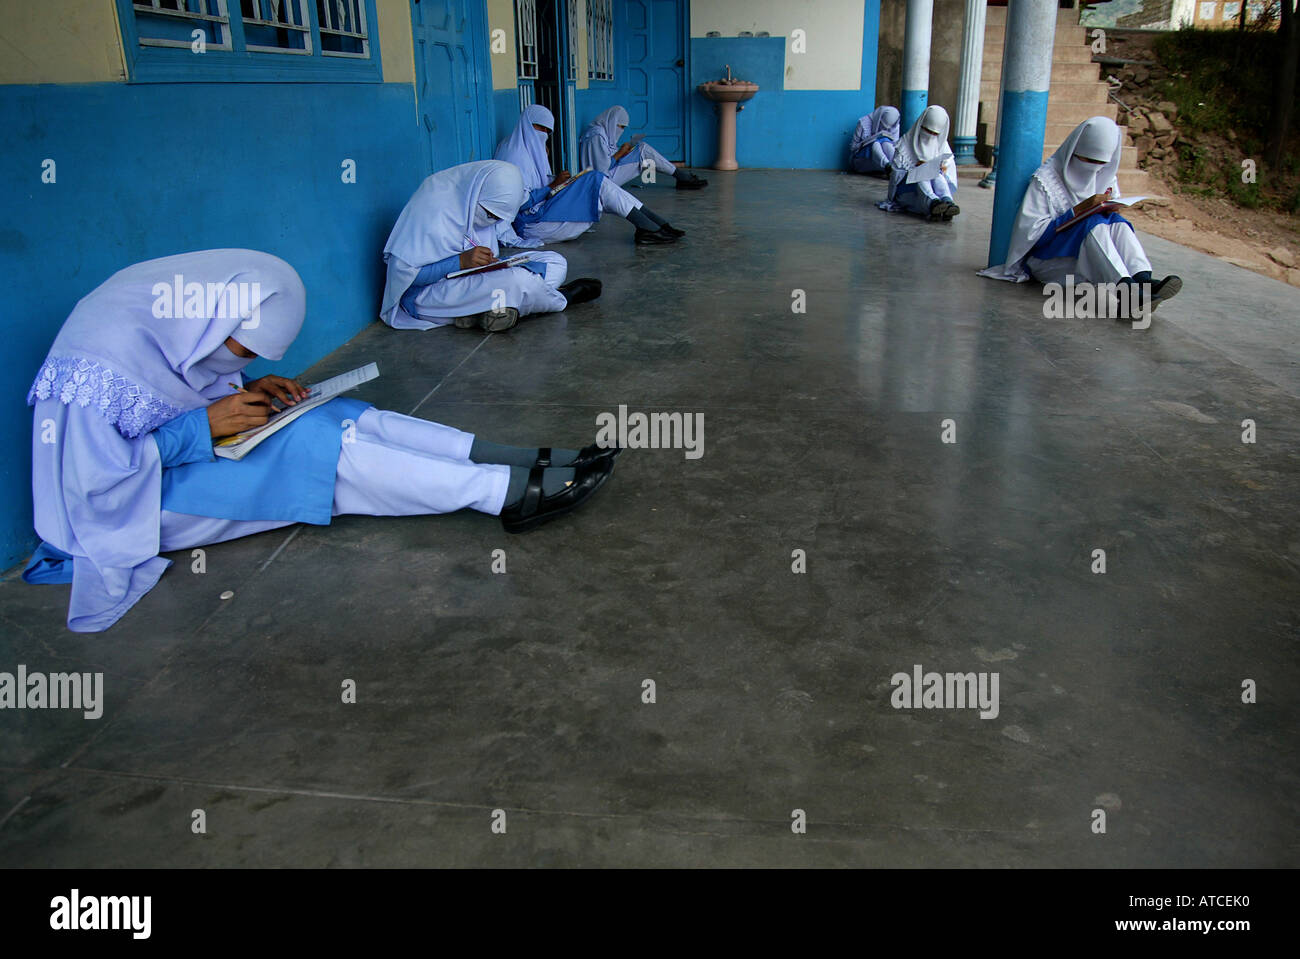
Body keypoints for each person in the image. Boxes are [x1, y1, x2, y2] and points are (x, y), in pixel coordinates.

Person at [23, 250, 619, 633]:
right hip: (127, 508)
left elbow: (195, 374)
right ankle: (502, 495)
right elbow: (93, 487)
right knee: (324, 452)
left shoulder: (167, 311)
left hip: (180, 463)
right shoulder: (94, 369)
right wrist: (199, 428)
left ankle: (510, 457)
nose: (240, 362)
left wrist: (254, 386)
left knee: (342, 416)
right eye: (244, 349)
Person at [978, 115, 1181, 313]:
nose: (1094, 169)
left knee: (1116, 222)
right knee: (1093, 224)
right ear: (1074, 152)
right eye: (1088, 160)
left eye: (1101, 164)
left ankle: (1143, 279)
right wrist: (1079, 210)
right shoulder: (1046, 181)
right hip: (1050, 261)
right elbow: (1031, 236)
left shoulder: (1105, 176)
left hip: (1089, 259)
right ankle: (1125, 289)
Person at [380, 159, 601, 332]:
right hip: (428, 295)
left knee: (555, 261)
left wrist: (489, 263)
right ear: (477, 195)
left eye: (498, 219)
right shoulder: (434, 209)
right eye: (489, 214)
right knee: (519, 280)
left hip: (470, 283)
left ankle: (483, 312)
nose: (491, 223)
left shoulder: (474, 198)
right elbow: (406, 278)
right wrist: (459, 261)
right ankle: (563, 298)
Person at [495, 104, 684, 246]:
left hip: (544, 210)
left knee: (601, 182)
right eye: (539, 128)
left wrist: (559, 182)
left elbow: (539, 184)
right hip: (532, 225)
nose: (543, 134)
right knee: (597, 180)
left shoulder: (525, 147)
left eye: (547, 131)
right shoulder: (513, 154)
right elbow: (519, 203)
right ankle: (650, 227)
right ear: (526, 125)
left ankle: (655, 224)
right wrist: (552, 186)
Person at [578, 105, 707, 190]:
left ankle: (679, 176)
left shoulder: (602, 133)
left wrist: (622, 152)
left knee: (641, 149)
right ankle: (681, 177)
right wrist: (620, 154)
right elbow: (602, 168)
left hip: (605, 176)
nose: (621, 131)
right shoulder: (596, 136)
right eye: (621, 127)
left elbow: (605, 157)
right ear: (612, 122)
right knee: (643, 150)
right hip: (601, 183)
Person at [877, 105, 960, 221]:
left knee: (937, 175)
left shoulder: (942, 146)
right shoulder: (905, 145)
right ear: (921, 126)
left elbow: (949, 172)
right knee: (922, 175)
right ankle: (933, 202)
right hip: (907, 193)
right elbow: (895, 176)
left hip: (932, 188)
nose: (930, 136)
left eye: (935, 134)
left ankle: (947, 201)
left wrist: (939, 168)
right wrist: (914, 169)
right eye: (927, 131)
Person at [849, 105, 901, 175]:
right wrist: (869, 140)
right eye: (882, 124)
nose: (885, 128)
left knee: (886, 143)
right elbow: (853, 148)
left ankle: (895, 167)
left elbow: (895, 146)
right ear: (879, 118)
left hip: (879, 165)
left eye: (890, 127)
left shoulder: (895, 127)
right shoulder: (863, 123)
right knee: (875, 144)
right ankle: (887, 166)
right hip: (862, 161)